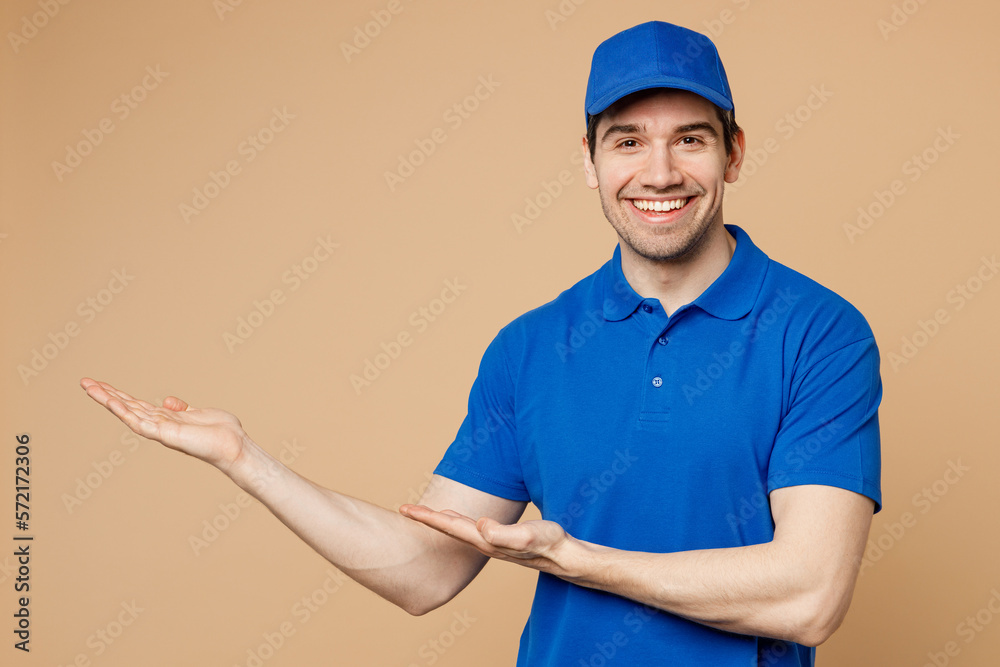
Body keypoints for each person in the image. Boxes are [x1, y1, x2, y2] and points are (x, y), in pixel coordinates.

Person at [81, 20, 881, 666]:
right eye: (629, 140)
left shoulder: (819, 333)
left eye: (692, 139)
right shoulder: (531, 349)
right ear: (590, 161)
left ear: (733, 154)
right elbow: (424, 570)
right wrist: (245, 459)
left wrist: (579, 559)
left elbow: (809, 597)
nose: (660, 172)